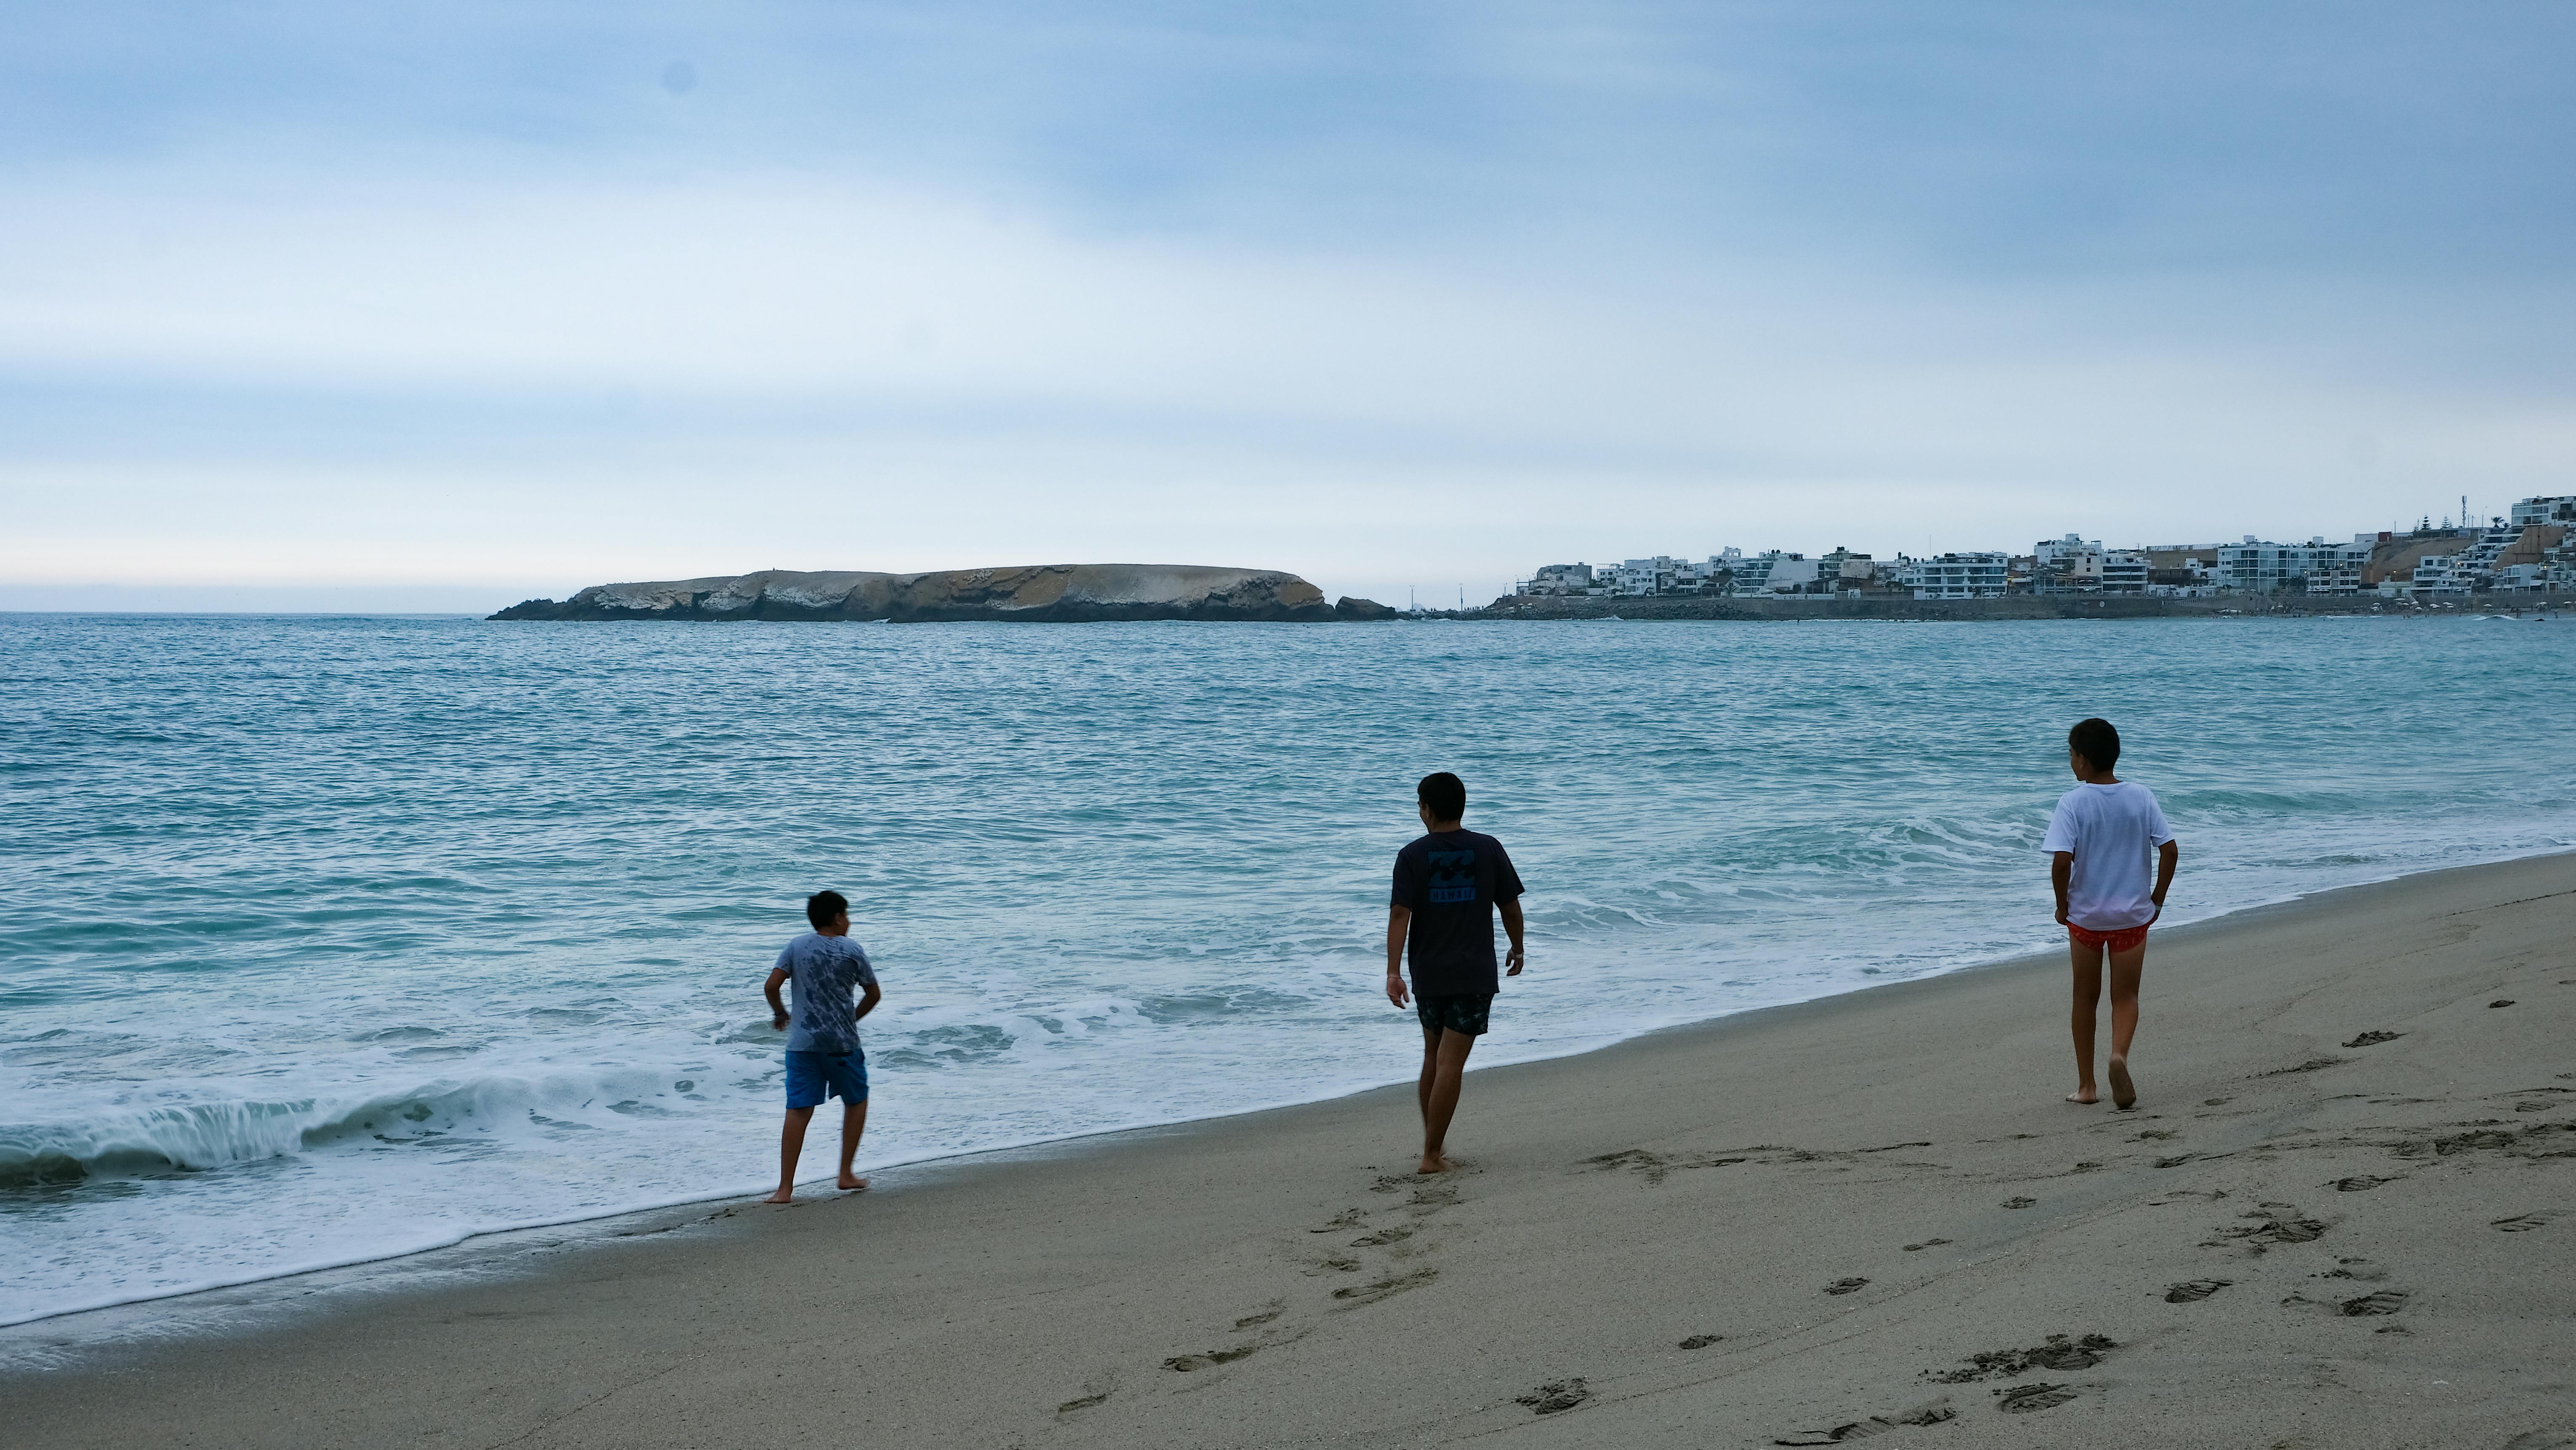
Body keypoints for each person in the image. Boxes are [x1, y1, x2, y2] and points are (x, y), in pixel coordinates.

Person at [1385, 772, 1526, 1174]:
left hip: (1428, 971)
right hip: (1471, 971)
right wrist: (1517, 947)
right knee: (1450, 1062)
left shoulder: (1411, 854)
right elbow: (1510, 906)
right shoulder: (1487, 848)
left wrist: (1393, 972)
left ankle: (1434, 1147)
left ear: (1427, 809)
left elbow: (1400, 914)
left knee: (1433, 1055)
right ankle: (1431, 1156)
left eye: (1419, 805)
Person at [2045, 718, 2179, 1110]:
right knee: (2126, 996)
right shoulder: (2140, 796)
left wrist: (2062, 905)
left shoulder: (2072, 802)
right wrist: (2156, 900)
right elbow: (2169, 850)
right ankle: (2118, 1055)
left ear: (2082, 760)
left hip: (2086, 919)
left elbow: (2061, 862)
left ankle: (2086, 1086)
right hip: (2132, 918)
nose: (2071, 761)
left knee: (2084, 998)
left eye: (2071, 754)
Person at [762, 889, 882, 1203]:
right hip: (842, 1043)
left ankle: (785, 1188)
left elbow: (772, 986)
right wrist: (852, 1019)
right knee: (856, 1101)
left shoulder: (796, 946)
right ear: (838, 918)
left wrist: (780, 1013)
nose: (849, 921)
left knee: (798, 1109)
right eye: (847, 915)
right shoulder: (852, 949)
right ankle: (845, 1173)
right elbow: (874, 994)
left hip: (802, 1045)